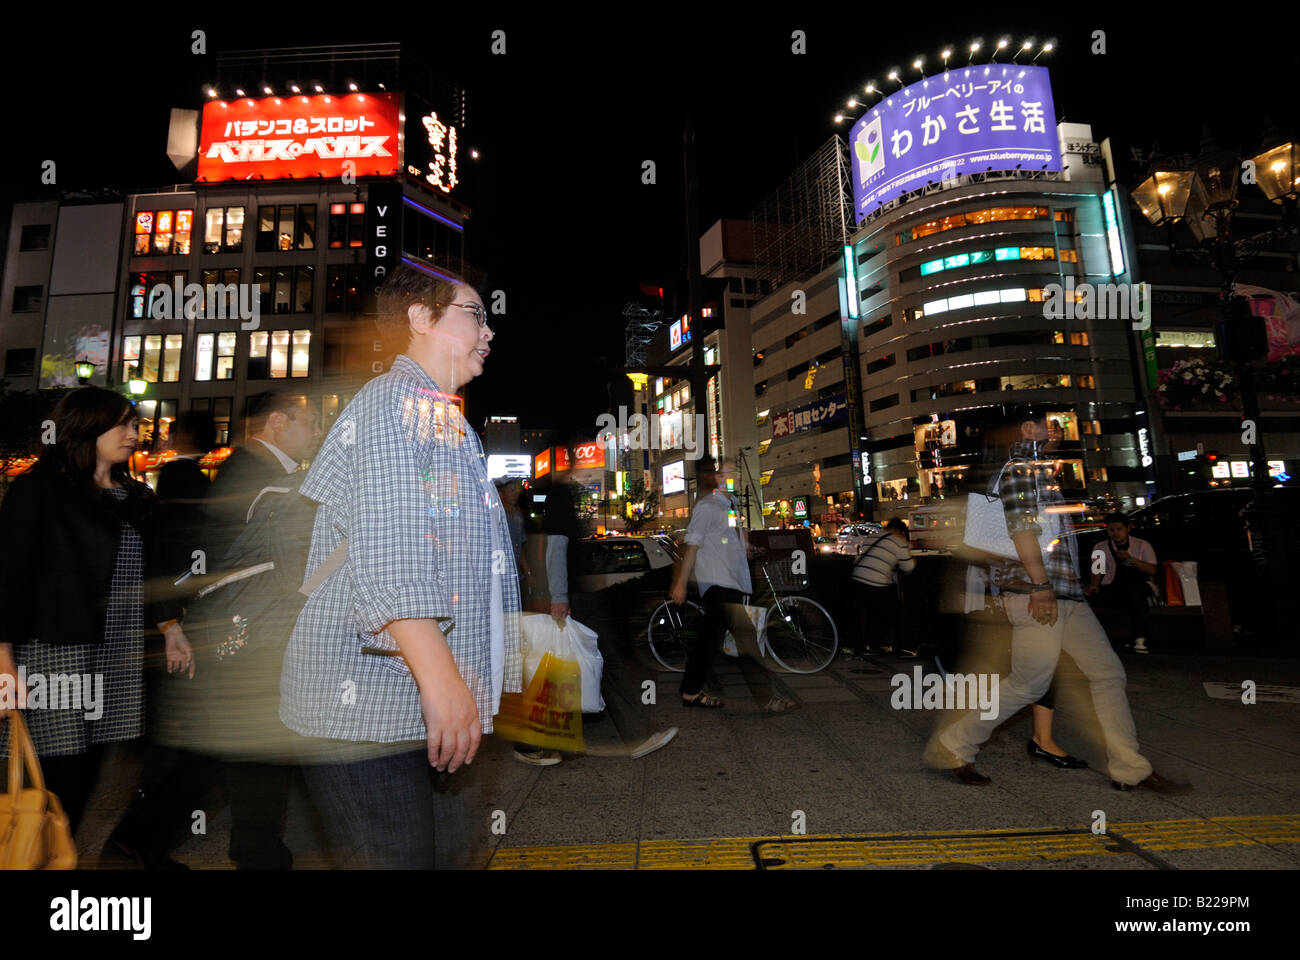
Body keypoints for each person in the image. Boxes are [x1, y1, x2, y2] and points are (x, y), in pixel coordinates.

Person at [280, 262, 522, 868]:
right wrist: (444, 685)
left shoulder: (440, 416)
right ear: (420, 318)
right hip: (367, 709)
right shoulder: (397, 405)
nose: (488, 332)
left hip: (407, 707)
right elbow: (394, 562)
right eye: (475, 314)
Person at [925, 405, 1189, 793]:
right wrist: (1039, 586)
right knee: (1029, 684)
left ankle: (1129, 767)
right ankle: (952, 745)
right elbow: (1021, 531)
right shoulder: (1018, 470)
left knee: (1107, 673)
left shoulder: (1041, 474)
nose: (1059, 432)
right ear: (1028, 427)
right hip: (1037, 594)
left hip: (1066, 595)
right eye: (1052, 426)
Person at [0, 387, 189, 835]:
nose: (134, 432)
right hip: (55, 650)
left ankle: (57, 855)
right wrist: (3, 656)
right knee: (51, 771)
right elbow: (9, 573)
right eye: (122, 423)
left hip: (116, 652)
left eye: (134, 422)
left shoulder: (136, 496)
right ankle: (31, 854)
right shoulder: (41, 488)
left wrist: (171, 627)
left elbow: (154, 570)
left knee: (91, 768)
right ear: (87, 427)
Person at [156, 391, 321, 870]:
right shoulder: (252, 474)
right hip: (244, 634)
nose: (314, 432)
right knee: (250, 754)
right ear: (276, 422)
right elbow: (182, 548)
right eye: (308, 422)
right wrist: (172, 622)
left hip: (247, 631)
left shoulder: (257, 472)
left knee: (226, 752)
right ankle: (257, 854)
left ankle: (147, 838)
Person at [103, 409, 217, 869]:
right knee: (180, 745)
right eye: (127, 427)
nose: (137, 435)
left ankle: (140, 841)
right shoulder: (184, 484)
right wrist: (172, 624)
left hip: (166, 626)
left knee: (176, 742)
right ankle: (136, 840)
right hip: (173, 627)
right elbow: (175, 559)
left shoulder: (156, 486)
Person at [514, 460, 677, 765]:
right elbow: (557, 546)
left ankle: (548, 740)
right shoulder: (561, 496)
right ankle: (633, 735)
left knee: (576, 664)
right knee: (596, 662)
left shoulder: (561, 495)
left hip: (578, 594)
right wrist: (560, 597)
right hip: (575, 597)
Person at [669, 456, 798, 716]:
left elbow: (728, 537)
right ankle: (767, 698)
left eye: (735, 473)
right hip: (717, 583)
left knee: (708, 641)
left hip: (731, 581)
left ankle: (690, 690)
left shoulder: (730, 504)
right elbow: (691, 545)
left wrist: (747, 547)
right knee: (747, 638)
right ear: (715, 477)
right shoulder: (707, 507)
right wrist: (680, 583)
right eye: (727, 473)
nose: (734, 477)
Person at [1086, 512, 1158, 655]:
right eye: (1111, 530)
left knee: (1135, 595)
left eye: (1119, 529)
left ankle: (1139, 638)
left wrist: (1130, 560)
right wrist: (1094, 584)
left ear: (1127, 529)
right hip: (1113, 586)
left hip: (1139, 586)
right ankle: (1137, 638)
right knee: (1130, 600)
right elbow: (1096, 570)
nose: (1115, 533)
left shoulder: (1142, 545)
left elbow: (1152, 570)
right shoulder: (1100, 547)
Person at [848, 518, 917, 658]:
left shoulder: (872, 536)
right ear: (901, 532)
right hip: (875, 583)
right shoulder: (899, 541)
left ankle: (870, 646)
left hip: (856, 580)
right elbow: (909, 568)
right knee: (896, 612)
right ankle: (904, 649)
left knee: (874, 614)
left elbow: (858, 559)